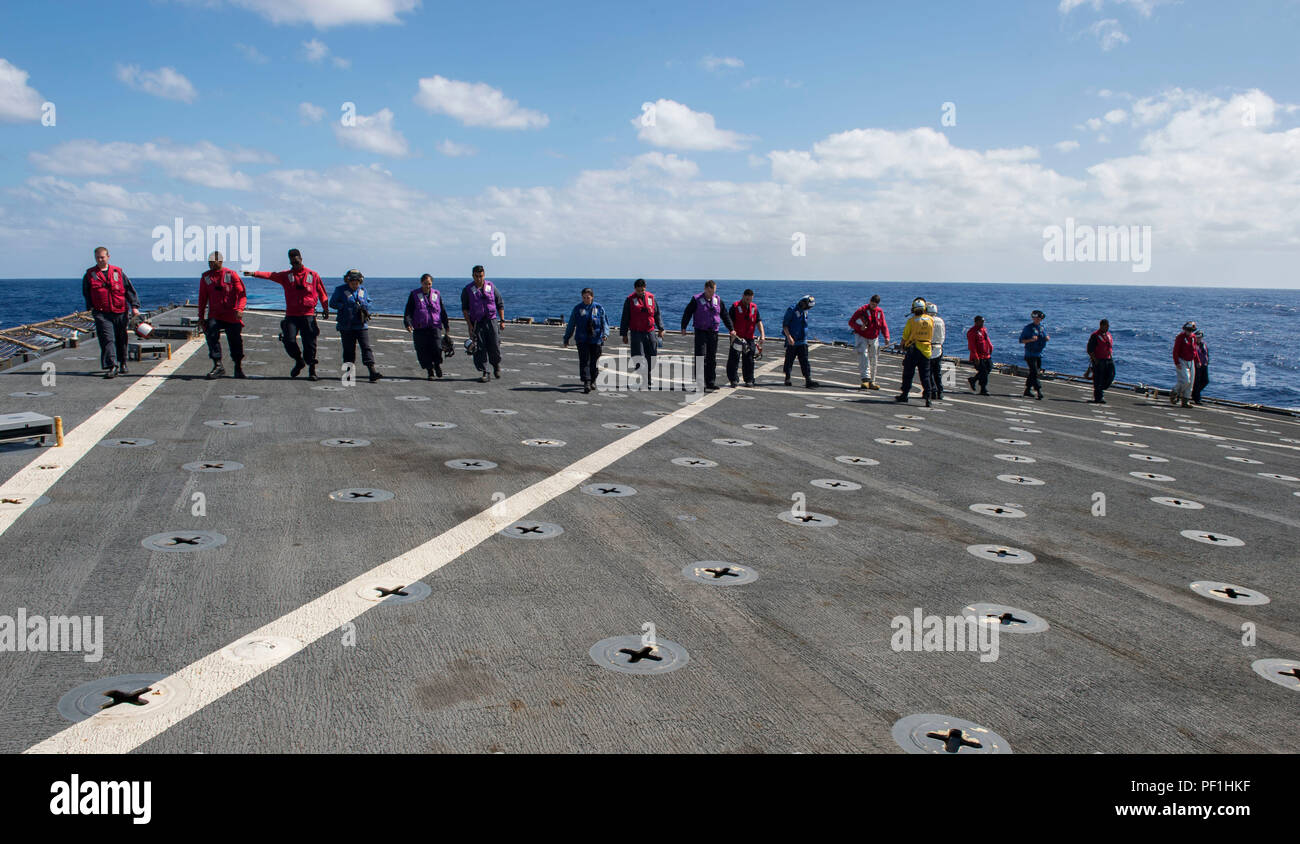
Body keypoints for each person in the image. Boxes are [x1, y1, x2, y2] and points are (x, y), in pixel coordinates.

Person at [245, 248, 329, 380]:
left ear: (301, 259)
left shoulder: (313, 275)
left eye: (297, 261)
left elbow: (322, 293)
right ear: (290, 261)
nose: (295, 263)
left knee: (310, 343)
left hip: (308, 314)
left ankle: (312, 370)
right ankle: (299, 361)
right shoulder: (286, 276)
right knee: (288, 340)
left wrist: (325, 308)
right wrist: (254, 273)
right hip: (292, 315)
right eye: (293, 261)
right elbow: (270, 275)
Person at [82, 246, 141, 378]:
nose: (100, 260)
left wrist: (134, 306)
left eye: (102, 257)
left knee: (121, 338)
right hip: (102, 313)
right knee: (107, 339)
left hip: (120, 311)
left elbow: (129, 290)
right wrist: (90, 307)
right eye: (97, 257)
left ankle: (123, 362)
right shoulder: (90, 274)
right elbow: (86, 292)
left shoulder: (118, 272)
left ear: (108, 257)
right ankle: (112, 365)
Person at [197, 251, 247, 379]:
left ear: (220, 262)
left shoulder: (231, 275)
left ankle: (238, 366)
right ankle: (218, 365)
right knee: (211, 334)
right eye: (209, 262)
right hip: (215, 315)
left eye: (212, 262)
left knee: (235, 340)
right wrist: (201, 317)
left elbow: (242, 295)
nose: (210, 264)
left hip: (231, 315)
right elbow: (202, 298)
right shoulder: (206, 277)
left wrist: (240, 309)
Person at [329, 269, 383, 382]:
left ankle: (372, 371)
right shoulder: (340, 290)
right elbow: (332, 303)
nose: (355, 285)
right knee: (349, 350)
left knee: (366, 347)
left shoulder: (362, 290)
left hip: (361, 325)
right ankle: (348, 374)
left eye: (357, 283)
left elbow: (369, 302)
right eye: (353, 283)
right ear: (348, 281)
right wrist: (343, 306)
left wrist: (364, 306)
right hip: (346, 325)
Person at [680, 280, 733, 391]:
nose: (711, 294)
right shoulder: (696, 299)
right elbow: (688, 312)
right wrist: (684, 326)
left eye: (713, 291)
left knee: (711, 358)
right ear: (705, 289)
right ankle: (699, 383)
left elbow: (724, 314)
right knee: (700, 356)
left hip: (713, 332)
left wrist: (731, 329)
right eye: (709, 292)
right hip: (701, 331)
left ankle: (710, 382)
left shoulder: (717, 300)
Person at [461, 265, 505, 383]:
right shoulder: (468, 290)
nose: (479, 279)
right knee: (480, 348)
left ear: (484, 275)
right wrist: (470, 325)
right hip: (477, 322)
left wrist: (502, 320)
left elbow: (499, 303)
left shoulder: (491, 287)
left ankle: (496, 365)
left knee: (495, 345)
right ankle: (485, 372)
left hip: (491, 321)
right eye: (476, 276)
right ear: (473, 276)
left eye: (481, 276)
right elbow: (465, 309)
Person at [619, 279, 664, 388]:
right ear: (635, 289)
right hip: (636, 332)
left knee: (652, 354)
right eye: (639, 291)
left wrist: (661, 328)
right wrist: (624, 334)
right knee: (639, 356)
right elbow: (625, 317)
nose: (641, 292)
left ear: (645, 287)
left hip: (650, 331)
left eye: (642, 290)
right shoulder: (630, 300)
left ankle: (648, 375)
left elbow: (657, 314)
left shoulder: (651, 298)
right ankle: (645, 378)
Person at [563, 288, 610, 393]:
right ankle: (587, 382)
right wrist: (566, 338)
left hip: (596, 339)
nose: (586, 299)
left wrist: (606, 334)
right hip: (582, 339)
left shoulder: (599, 308)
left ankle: (593, 380)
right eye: (584, 297)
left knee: (594, 362)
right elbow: (571, 324)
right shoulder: (577, 309)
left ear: (592, 297)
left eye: (588, 297)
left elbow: (604, 323)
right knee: (585, 361)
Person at [404, 274, 450, 380]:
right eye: (425, 284)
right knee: (422, 350)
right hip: (420, 328)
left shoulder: (437, 294)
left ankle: (437, 365)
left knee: (437, 347)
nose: (427, 286)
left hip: (435, 326)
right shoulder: (414, 294)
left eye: (429, 284)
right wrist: (408, 323)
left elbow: (442, 310)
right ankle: (430, 371)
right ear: (421, 283)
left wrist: (446, 324)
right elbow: (408, 311)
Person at [894, 297, 933, 407]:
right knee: (925, 375)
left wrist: (902, 346)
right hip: (926, 350)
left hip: (914, 350)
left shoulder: (911, 321)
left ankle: (905, 394)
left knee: (908, 373)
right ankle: (928, 397)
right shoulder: (931, 320)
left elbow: (905, 336)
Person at [848, 294, 889, 389]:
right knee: (864, 356)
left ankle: (872, 381)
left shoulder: (879, 312)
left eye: (874, 304)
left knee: (874, 358)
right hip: (862, 336)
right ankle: (865, 379)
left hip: (874, 337)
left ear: (877, 304)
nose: (872, 306)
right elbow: (851, 322)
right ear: (869, 301)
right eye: (871, 303)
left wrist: (886, 337)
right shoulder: (861, 310)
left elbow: (883, 325)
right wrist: (859, 327)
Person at [726, 289, 765, 388]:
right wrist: (731, 334)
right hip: (737, 337)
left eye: (750, 298)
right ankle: (733, 379)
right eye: (746, 298)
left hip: (749, 337)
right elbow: (729, 321)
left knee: (749, 360)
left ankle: (749, 379)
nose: (748, 300)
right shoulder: (735, 306)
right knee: (734, 359)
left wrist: (762, 335)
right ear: (743, 296)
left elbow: (758, 321)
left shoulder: (754, 308)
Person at [781, 295, 820, 389]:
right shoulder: (792, 310)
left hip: (802, 340)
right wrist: (789, 337)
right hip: (793, 340)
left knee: (805, 360)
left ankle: (808, 379)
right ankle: (787, 378)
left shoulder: (805, 311)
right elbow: (785, 325)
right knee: (789, 359)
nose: (808, 308)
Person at [1019, 309, 1049, 400]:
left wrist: (1047, 338)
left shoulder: (1042, 328)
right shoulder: (1028, 328)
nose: (1039, 320)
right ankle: (1039, 391)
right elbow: (1021, 340)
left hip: (1039, 354)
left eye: (1040, 318)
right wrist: (1031, 340)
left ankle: (1027, 389)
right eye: (1037, 318)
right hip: (1030, 353)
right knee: (1034, 372)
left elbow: (1044, 336)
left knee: (1033, 373)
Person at [1086, 319, 1115, 404]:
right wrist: (1095, 360)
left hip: (1108, 359)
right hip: (1099, 360)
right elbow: (1090, 349)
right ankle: (1098, 397)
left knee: (1111, 375)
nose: (1108, 327)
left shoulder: (1108, 335)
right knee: (1098, 379)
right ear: (1101, 326)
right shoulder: (1095, 335)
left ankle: (1102, 388)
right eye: (1106, 325)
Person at [1171, 321, 1198, 408]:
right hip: (1182, 360)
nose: (1189, 332)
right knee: (1185, 380)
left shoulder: (1193, 337)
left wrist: (1197, 360)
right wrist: (1177, 362)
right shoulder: (1180, 337)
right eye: (1188, 330)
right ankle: (1175, 392)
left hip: (1191, 361)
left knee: (1191, 383)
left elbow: (1194, 350)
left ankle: (1185, 400)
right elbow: (1175, 351)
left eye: (1191, 330)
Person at [966, 315, 993, 396]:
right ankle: (983, 388)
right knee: (983, 371)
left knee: (989, 368)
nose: (983, 323)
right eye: (981, 321)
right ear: (976, 322)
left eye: (983, 321)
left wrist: (991, 347)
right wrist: (976, 357)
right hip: (978, 356)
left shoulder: (983, 330)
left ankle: (973, 380)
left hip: (986, 354)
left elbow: (986, 339)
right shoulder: (972, 332)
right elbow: (972, 346)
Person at [925, 302, 946, 400]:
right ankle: (940, 391)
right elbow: (943, 335)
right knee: (937, 372)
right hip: (939, 347)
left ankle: (932, 391)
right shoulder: (941, 321)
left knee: (928, 372)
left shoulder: (927, 320)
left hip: (928, 348)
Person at [1191, 330, 1210, 405]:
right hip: (1197, 365)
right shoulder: (1194, 345)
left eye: (1200, 337)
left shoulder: (1203, 344)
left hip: (1204, 365)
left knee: (1205, 381)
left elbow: (1206, 353)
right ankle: (1197, 398)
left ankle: (1194, 393)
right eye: (1198, 337)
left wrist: (1207, 361)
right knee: (1197, 382)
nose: (1199, 339)